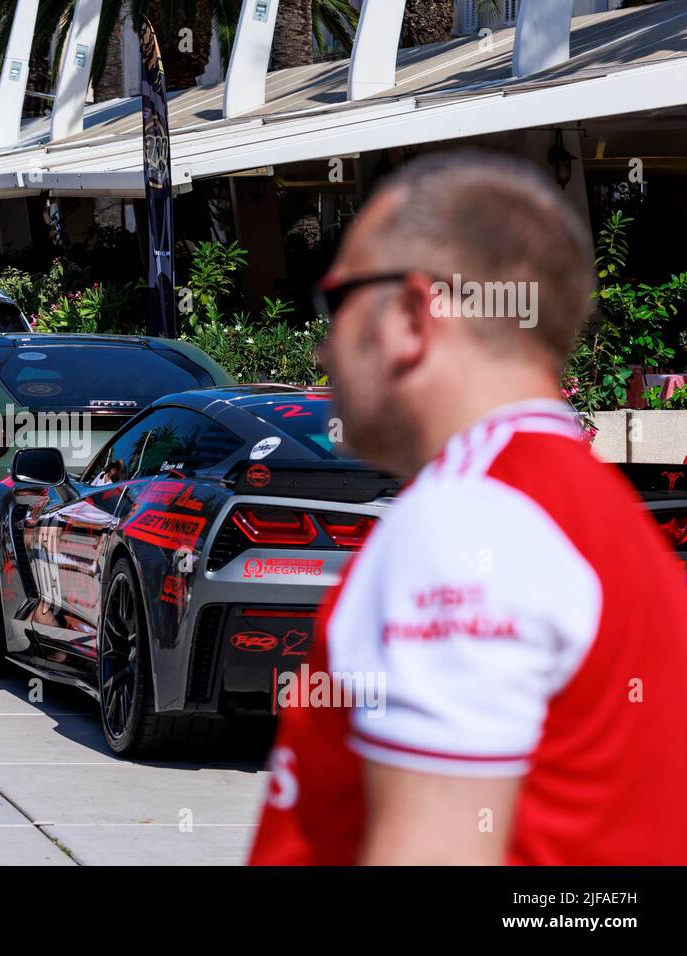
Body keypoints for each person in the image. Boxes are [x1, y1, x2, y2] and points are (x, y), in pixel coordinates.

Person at [248, 151, 687, 866]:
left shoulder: (467, 518)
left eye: (335, 300)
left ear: (417, 314)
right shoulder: (596, 513)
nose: (325, 346)